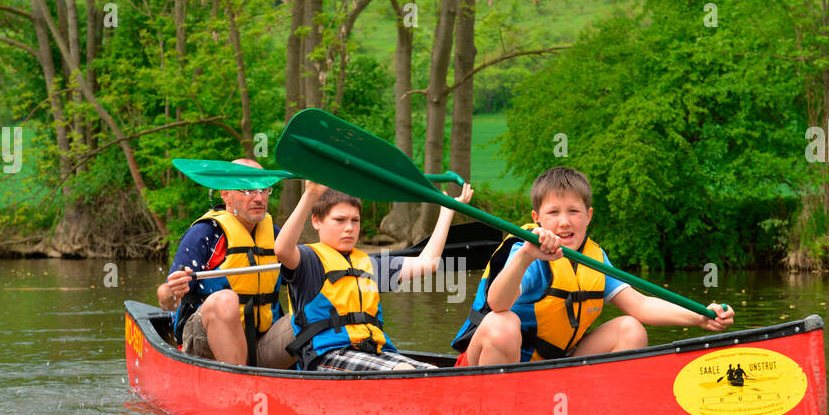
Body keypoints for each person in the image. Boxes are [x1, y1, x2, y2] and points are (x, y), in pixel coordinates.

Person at [451, 166, 735, 366]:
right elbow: (498, 303)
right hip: (485, 367)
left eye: (573, 211)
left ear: (588, 216)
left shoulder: (594, 258)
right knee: (503, 323)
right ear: (537, 218)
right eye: (553, 213)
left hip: (552, 369)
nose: (564, 222)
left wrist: (700, 317)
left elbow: (642, 306)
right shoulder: (526, 250)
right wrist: (527, 254)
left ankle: (604, 413)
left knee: (630, 329)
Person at [274, 180, 473, 372]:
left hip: (373, 352)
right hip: (326, 355)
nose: (349, 228)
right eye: (339, 220)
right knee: (402, 371)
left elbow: (428, 263)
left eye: (355, 220)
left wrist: (447, 211)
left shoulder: (371, 265)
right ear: (317, 221)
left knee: (433, 371)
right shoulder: (308, 260)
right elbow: (282, 249)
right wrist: (310, 195)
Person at [156, 158, 295, 368]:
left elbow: (302, 279)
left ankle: (331, 375)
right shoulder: (204, 234)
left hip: (261, 342)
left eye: (264, 189)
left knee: (316, 308)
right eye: (247, 189)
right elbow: (167, 301)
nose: (259, 197)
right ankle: (240, 384)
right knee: (225, 300)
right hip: (205, 343)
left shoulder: (275, 236)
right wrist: (172, 290)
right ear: (225, 194)